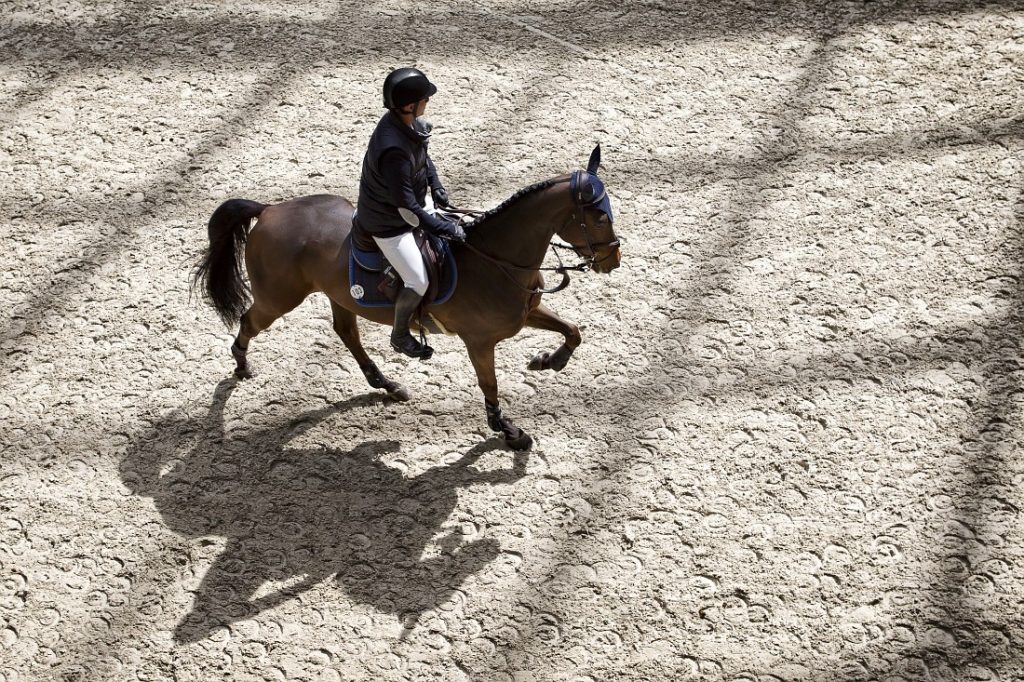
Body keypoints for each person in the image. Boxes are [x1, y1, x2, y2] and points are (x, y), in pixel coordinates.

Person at [355, 67, 465, 360]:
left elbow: (424, 158)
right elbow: (408, 209)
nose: (428, 102)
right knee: (418, 279)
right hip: (389, 222)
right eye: (424, 99)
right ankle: (400, 334)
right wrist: (442, 228)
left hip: (412, 201)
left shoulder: (408, 125)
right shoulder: (393, 151)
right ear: (409, 105)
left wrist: (436, 184)